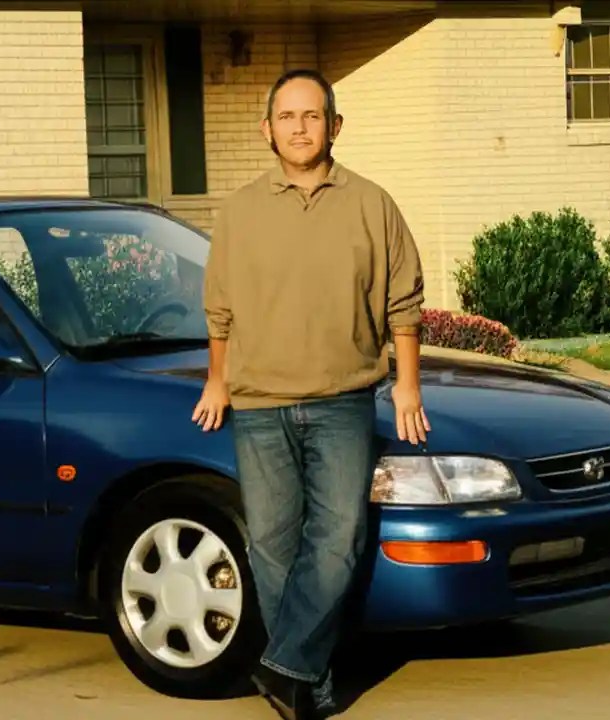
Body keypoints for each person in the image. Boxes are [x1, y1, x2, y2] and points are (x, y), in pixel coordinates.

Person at [191, 68, 428, 720]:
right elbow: (221, 312)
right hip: (260, 403)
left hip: (342, 398)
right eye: (288, 117)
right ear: (267, 129)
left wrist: (407, 387)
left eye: (313, 115)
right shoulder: (238, 211)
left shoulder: (372, 204)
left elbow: (402, 302)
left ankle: (282, 665)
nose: (301, 127)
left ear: (335, 126)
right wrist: (218, 380)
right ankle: (306, 686)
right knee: (271, 544)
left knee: (339, 538)